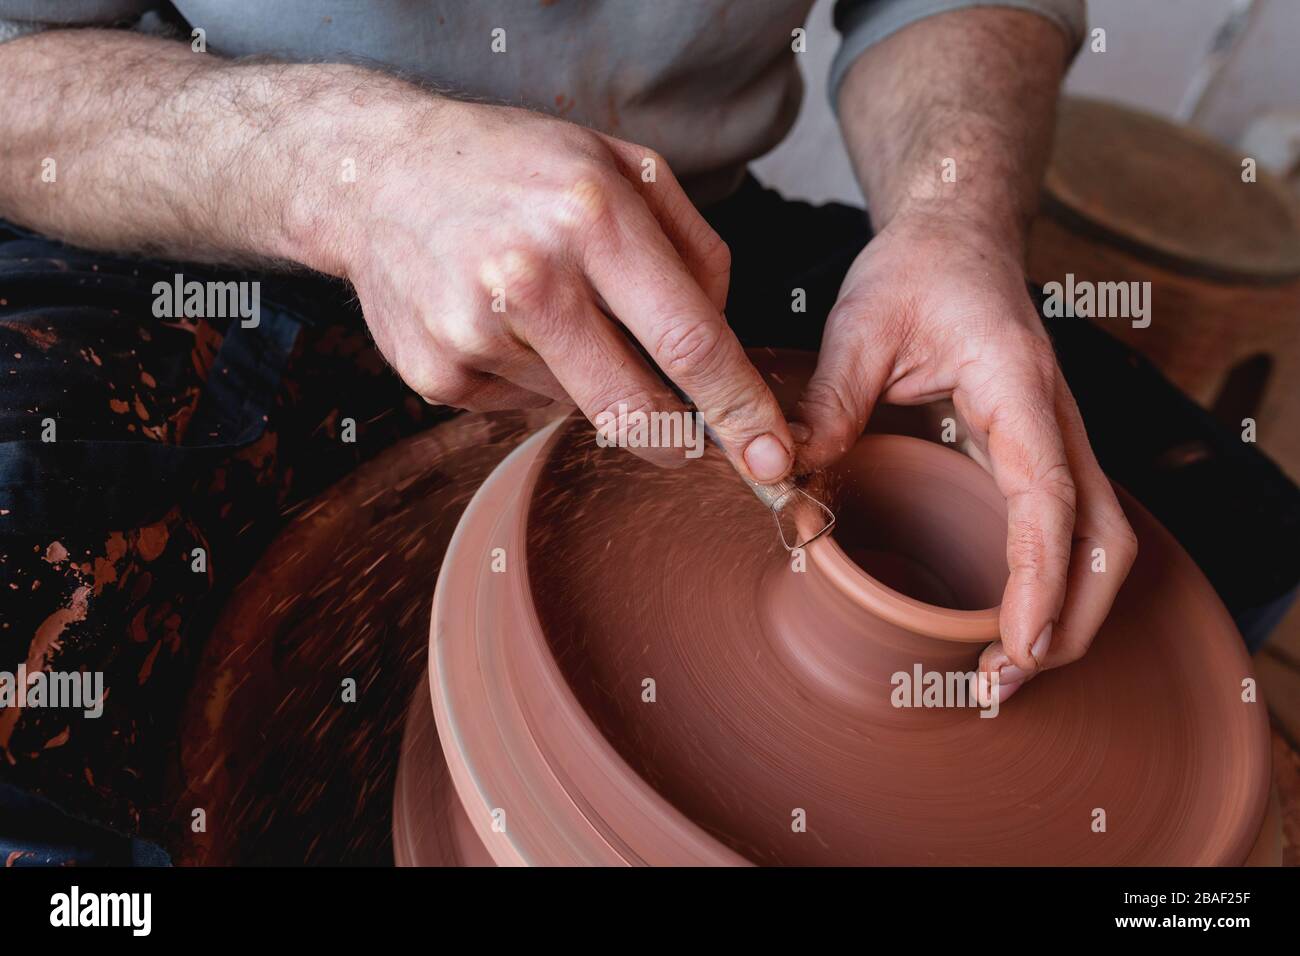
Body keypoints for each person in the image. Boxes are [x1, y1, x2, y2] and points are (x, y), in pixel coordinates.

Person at [0, 1, 1295, 861]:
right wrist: (347, 170)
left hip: (685, 232)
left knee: (1217, 540)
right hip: (218, 202)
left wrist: (953, 219)